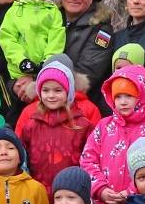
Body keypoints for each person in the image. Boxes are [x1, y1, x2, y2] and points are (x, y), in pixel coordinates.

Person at [81, 64, 145, 204]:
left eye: (128, 96)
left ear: (141, 96)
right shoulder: (103, 126)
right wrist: (100, 189)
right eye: (118, 97)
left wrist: (131, 192)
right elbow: (88, 159)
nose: (123, 102)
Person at [16, 60, 94, 192]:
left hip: (72, 195)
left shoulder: (82, 126)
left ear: (68, 92)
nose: (51, 95)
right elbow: (23, 161)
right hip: (38, 193)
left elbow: (91, 161)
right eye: (46, 90)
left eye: (58, 90)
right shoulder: (31, 125)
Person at [56, 0, 116, 108]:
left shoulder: (101, 31)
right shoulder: (47, 20)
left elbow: (87, 74)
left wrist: (45, 87)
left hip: (79, 111)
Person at [0, 0, 65, 91]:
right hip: (19, 72)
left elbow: (57, 38)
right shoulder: (15, 10)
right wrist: (21, 60)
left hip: (46, 70)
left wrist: (48, 61)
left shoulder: (53, 12)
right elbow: (7, 38)